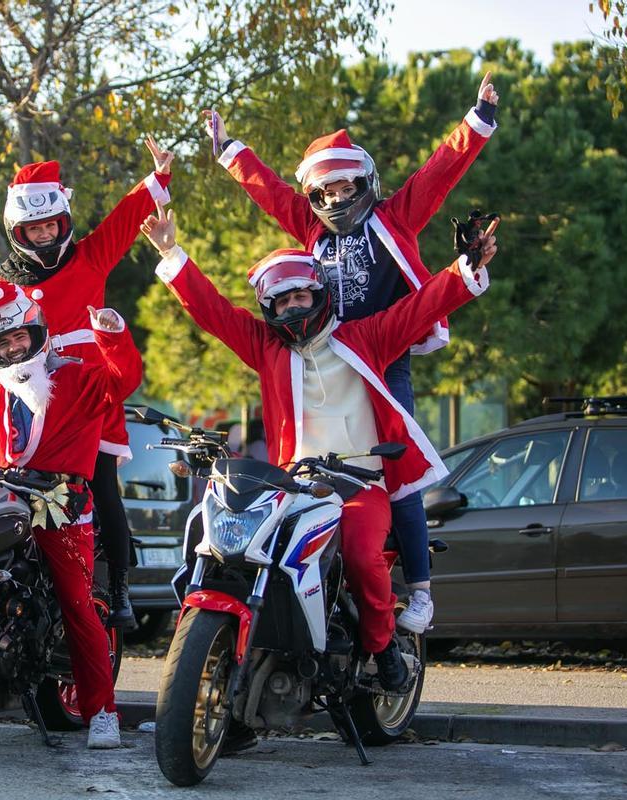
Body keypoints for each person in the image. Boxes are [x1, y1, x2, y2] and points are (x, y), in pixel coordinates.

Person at [140, 204, 496, 698]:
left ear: (320, 293)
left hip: (360, 482)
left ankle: (383, 646)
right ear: (270, 309)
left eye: (301, 295)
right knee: (232, 544)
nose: (292, 308)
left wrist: (467, 268)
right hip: (293, 485)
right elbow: (213, 311)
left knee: (361, 552)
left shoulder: (364, 336)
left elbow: (421, 307)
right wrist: (170, 252)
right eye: (281, 302)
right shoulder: (265, 347)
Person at [201, 74, 501, 634]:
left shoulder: (395, 216)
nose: (336, 200)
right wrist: (228, 152)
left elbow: (439, 172)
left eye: (345, 189)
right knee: (303, 466)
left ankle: (420, 590)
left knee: (398, 469)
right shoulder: (308, 226)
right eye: (326, 194)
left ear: (365, 183)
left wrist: (477, 120)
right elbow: (269, 190)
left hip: (385, 354)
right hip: (318, 352)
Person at [0, 138, 174, 630]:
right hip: (26, 409)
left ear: (64, 222)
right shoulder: (3, 285)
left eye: (52, 224)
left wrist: (157, 178)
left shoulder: (90, 259)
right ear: (18, 232)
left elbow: (122, 221)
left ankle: (118, 589)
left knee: (103, 491)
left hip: (87, 402)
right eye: (35, 228)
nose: (46, 234)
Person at [0, 279, 142, 749]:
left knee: (78, 604)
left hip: (64, 507)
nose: (13, 348)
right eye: (2, 343)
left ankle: (102, 712)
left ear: (36, 331)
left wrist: (111, 335)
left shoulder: (79, 377)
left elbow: (122, 380)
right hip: (5, 506)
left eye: (19, 337)